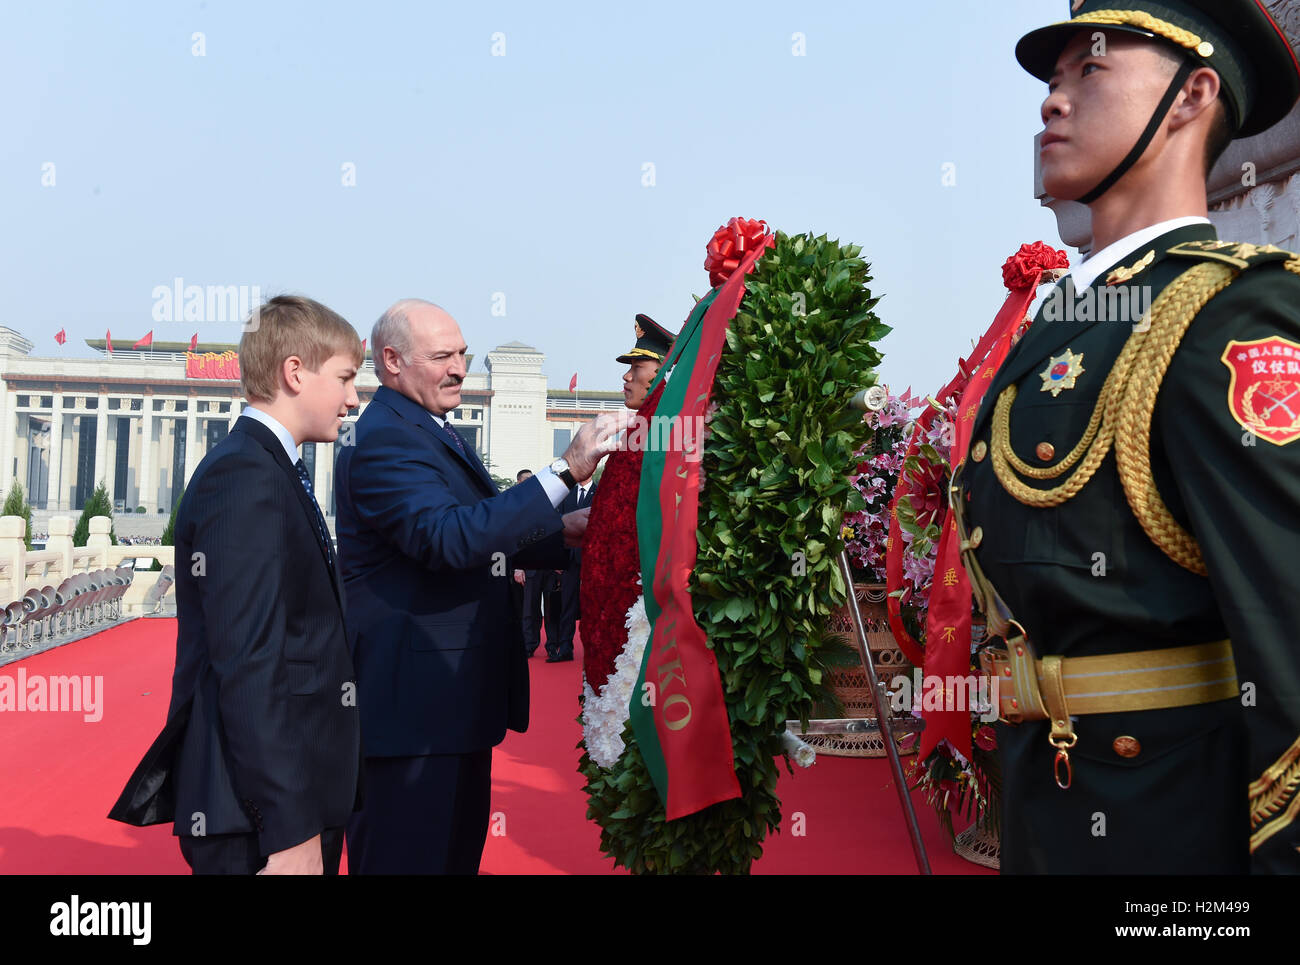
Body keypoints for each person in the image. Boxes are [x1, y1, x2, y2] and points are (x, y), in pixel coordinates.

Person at [955, 0, 1300, 874]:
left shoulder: (1231, 315)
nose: (1051, 103)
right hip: (1053, 806)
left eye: (1091, 70)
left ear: (1192, 97)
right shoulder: (1067, 323)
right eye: (1053, 78)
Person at [334, 298, 627, 874]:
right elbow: (448, 539)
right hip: (413, 716)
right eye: (442, 356)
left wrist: (567, 532)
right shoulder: (384, 441)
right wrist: (565, 470)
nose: (460, 368)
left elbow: (481, 529)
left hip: (450, 705)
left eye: (463, 354)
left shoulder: (427, 429)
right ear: (391, 361)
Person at [109, 295, 364, 875]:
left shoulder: (268, 466)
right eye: (346, 377)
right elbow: (249, 662)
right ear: (294, 372)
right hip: (257, 815)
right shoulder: (245, 476)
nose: (353, 397)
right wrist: (289, 828)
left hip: (278, 797)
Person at [549, 474, 596, 662]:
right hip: (569, 560)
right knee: (567, 604)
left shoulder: (600, 491)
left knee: (592, 605)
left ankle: (594, 651)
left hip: (593, 559)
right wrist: (557, 559)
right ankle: (565, 647)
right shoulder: (567, 495)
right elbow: (558, 526)